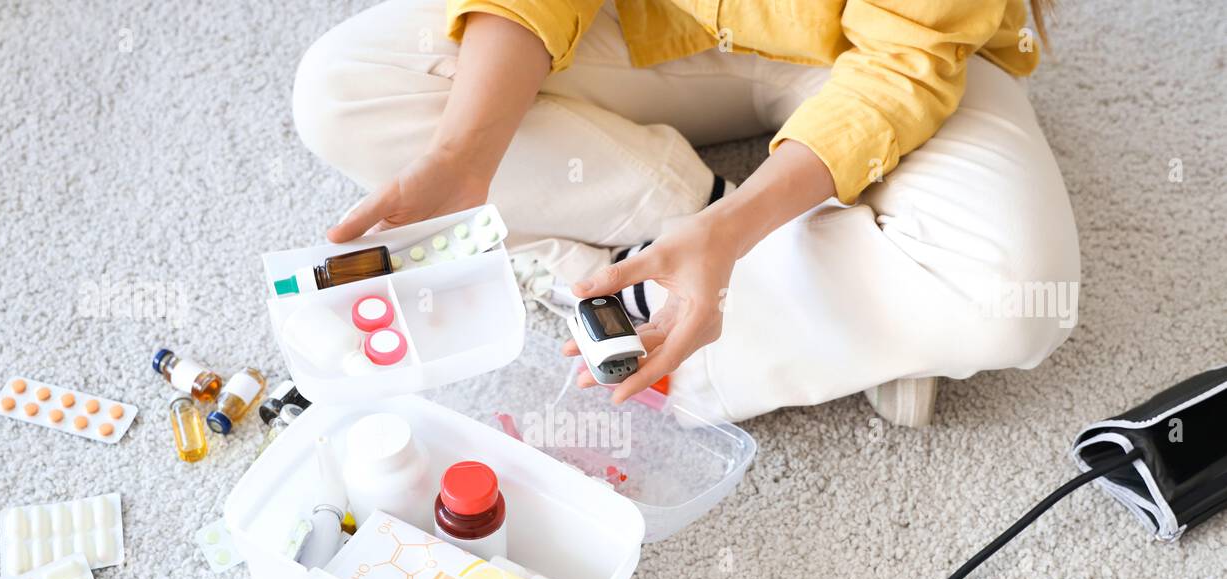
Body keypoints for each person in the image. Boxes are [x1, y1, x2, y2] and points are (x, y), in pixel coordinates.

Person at [292, 0, 1078, 426]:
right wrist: (464, 156)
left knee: (1018, 298)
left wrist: (734, 234)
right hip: (645, 25)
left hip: (876, 53)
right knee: (341, 88)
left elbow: (905, 62)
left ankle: (700, 278)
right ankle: (726, 253)